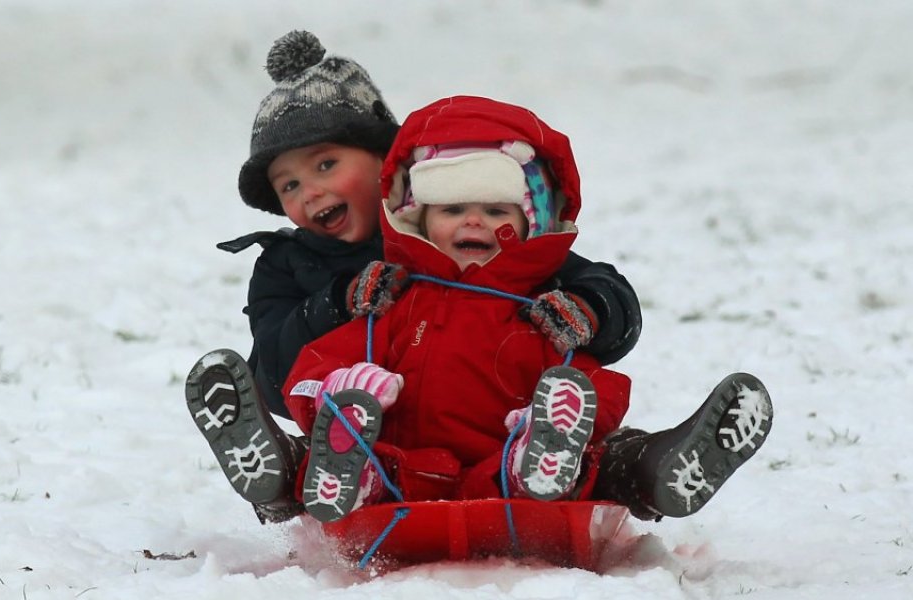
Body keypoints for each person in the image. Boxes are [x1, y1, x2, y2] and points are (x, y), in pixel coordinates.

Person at [184, 31, 642, 523]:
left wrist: (590, 308)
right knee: (328, 445)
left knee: (601, 447)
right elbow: (275, 375)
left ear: (386, 161)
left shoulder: (444, 228)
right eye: (289, 184)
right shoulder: (283, 265)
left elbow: (573, 274)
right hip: (374, 436)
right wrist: (336, 303)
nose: (310, 191)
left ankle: (650, 469)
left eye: (326, 164)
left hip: (498, 425)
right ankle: (277, 473)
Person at [282, 95, 774, 524]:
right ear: (420, 220)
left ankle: (631, 463)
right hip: (398, 473)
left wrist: (560, 410)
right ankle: (344, 468)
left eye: (496, 211)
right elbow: (311, 368)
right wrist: (332, 391)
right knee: (352, 450)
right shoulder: (396, 302)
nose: (474, 220)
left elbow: (596, 384)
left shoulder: (538, 310)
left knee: (592, 461)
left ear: (527, 222)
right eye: (453, 209)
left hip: (507, 473)